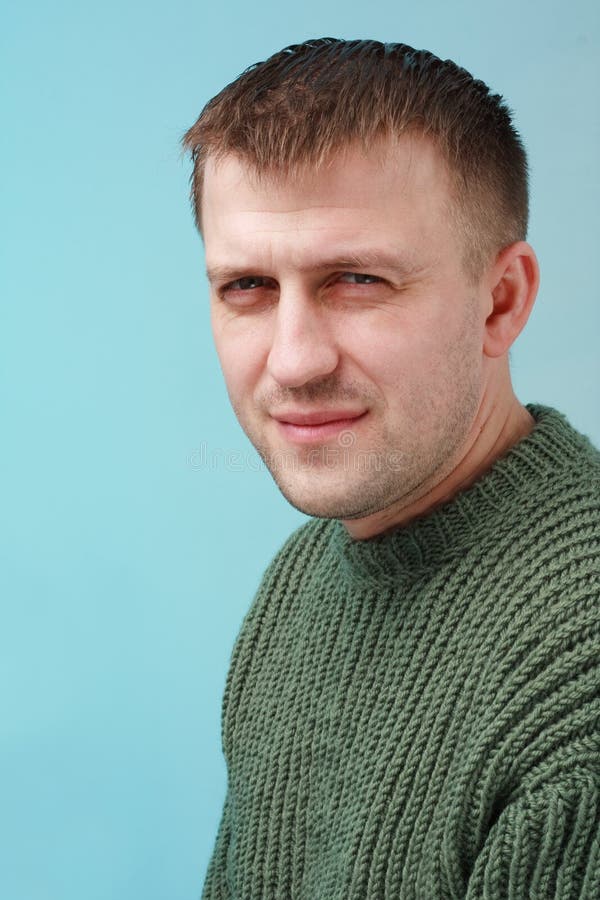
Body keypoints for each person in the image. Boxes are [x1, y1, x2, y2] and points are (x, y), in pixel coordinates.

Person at [182, 38, 600, 899]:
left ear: (502, 300)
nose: (293, 362)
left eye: (357, 280)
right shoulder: (307, 574)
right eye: (248, 287)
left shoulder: (577, 686)